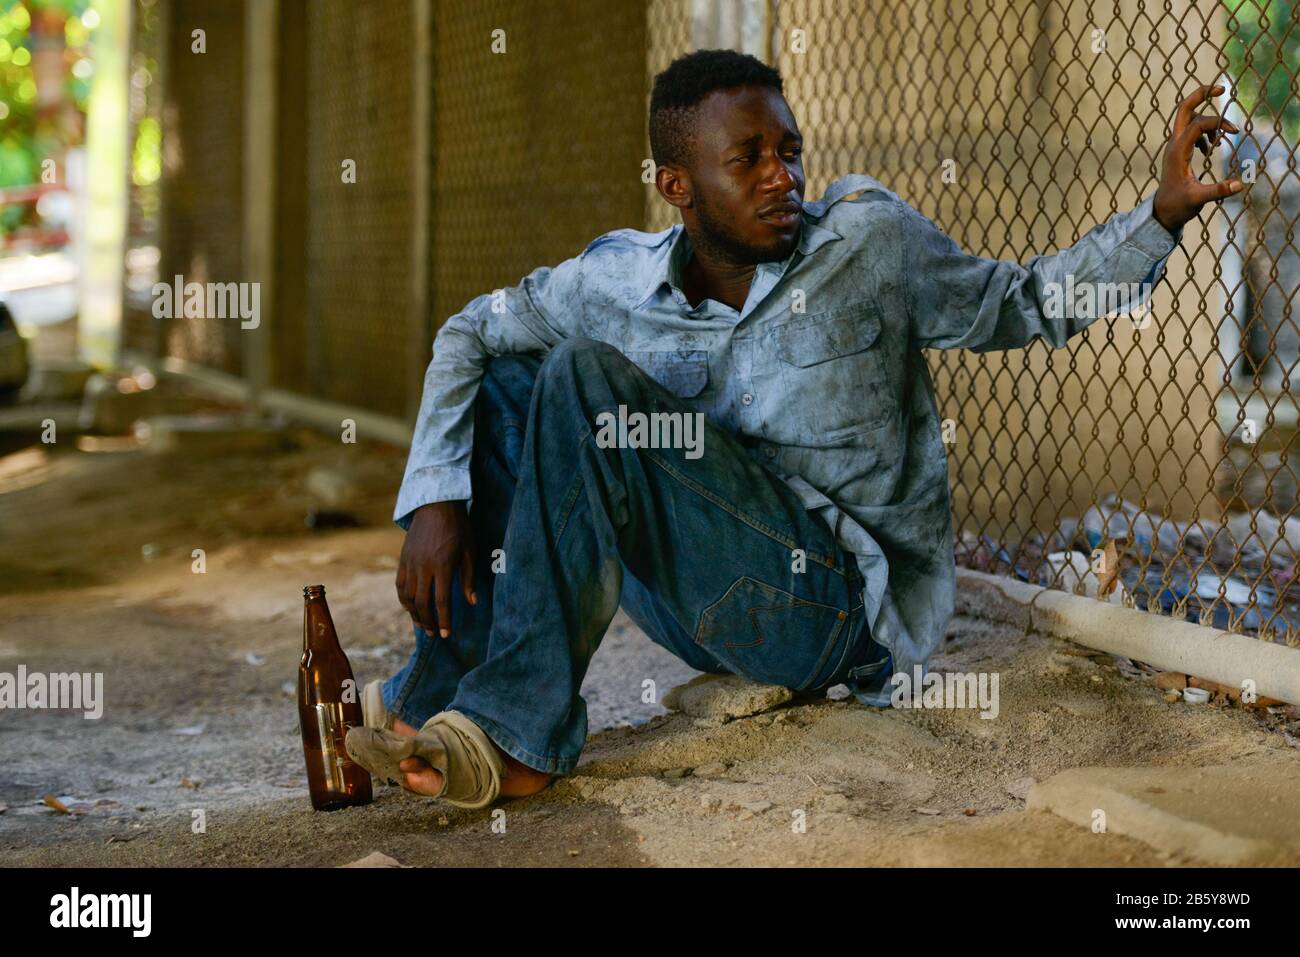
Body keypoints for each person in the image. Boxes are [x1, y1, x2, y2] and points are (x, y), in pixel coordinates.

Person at [344, 49, 1244, 809]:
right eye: (749, 158)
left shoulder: (868, 245)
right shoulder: (612, 283)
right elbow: (469, 330)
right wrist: (435, 498)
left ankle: (519, 743)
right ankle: (436, 694)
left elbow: (1026, 303)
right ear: (677, 186)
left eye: (790, 150)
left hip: (833, 608)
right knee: (508, 385)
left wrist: (1160, 214)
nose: (784, 176)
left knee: (578, 378)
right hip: (699, 598)